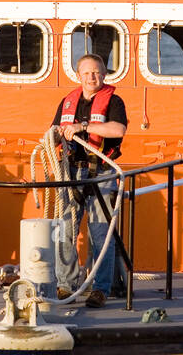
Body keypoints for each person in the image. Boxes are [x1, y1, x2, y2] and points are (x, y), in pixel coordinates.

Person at [51, 53, 127, 306]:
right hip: (70, 173)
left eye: (96, 72)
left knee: (100, 232)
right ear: (78, 76)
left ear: (104, 75)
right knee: (65, 230)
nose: (91, 77)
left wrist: (83, 128)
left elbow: (118, 130)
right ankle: (65, 285)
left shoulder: (114, 101)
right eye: (86, 73)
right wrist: (56, 136)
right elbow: (52, 134)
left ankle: (100, 288)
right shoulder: (67, 102)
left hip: (102, 173)